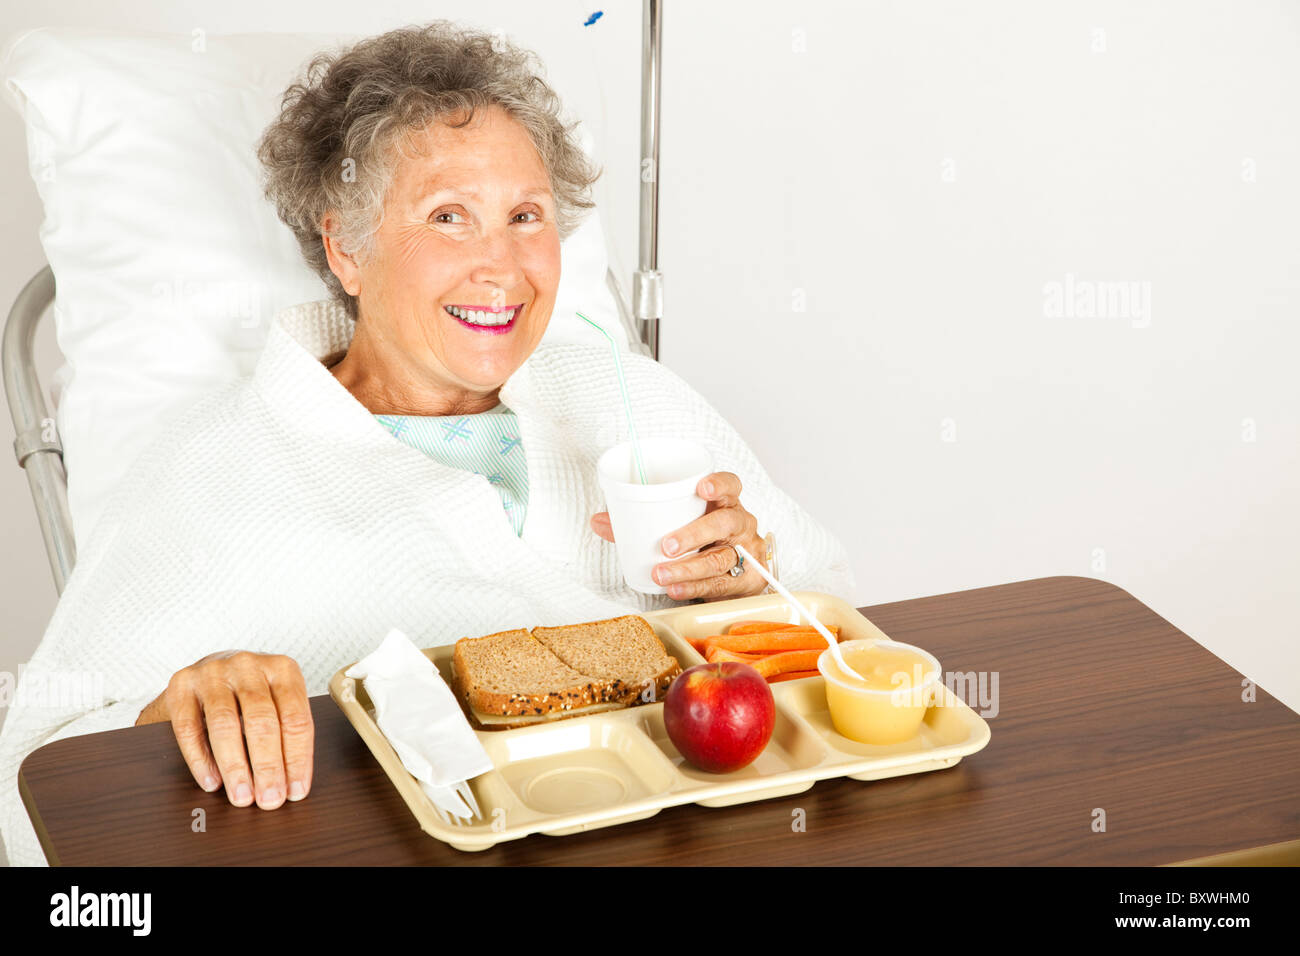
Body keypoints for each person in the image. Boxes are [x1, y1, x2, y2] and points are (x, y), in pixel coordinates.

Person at [0, 21, 856, 867]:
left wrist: (748, 579)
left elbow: (846, 641)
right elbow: (26, 778)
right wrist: (172, 712)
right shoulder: (216, 469)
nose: (503, 266)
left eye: (526, 215)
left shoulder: (625, 397)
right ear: (347, 247)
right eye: (450, 217)